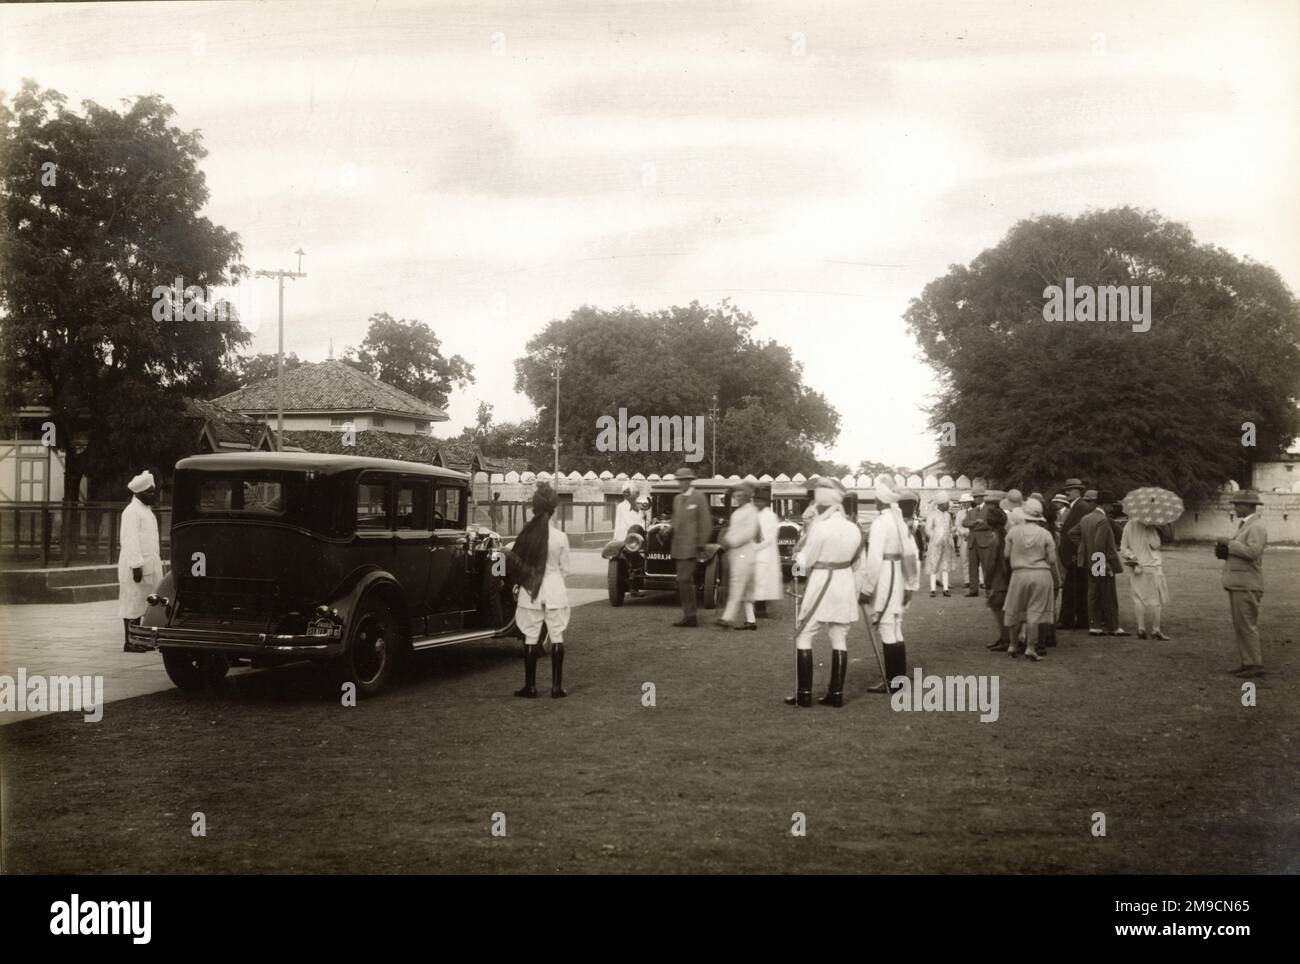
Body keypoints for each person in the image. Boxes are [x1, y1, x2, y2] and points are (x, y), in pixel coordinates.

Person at [785, 477, 865, 707]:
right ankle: (836, 695)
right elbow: (859, 563)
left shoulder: (819, 528)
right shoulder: (853, 528)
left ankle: (804, 694)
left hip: (822, 583)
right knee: (839, 637)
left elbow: (806, 560)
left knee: (804, 635)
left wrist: (796, 567)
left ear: (821, 506)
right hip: (845, 583)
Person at [511, 483, 572, 698]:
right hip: (555, 591)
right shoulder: (561, 537)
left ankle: (531, 687)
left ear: (535, 509)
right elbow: (566, 569)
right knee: (556, 636)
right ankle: (556, 688)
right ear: (553, 510)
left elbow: (514, 562)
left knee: (530, 637)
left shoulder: (526, 535)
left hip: (530, 592)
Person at [861, 480, 920, 694]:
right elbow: (913, 555)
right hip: (899, 576)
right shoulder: (899, 522)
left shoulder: (880, 524)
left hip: (886, 574)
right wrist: (911, 584)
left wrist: (867, 589)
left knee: (887, 625)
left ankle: (893, 682)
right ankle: (900, 678)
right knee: (895, 625)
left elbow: (875, 559)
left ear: (879, 501)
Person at [1216, 490, 1268, 677]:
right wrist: (1226, 551)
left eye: (1238, 504)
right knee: (1241, 625)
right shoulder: (1247, 525)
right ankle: (1248, 662)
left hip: (1247, 584)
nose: (1235, 508)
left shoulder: (1256, 527)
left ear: (1248, 506)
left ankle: (1255, 664)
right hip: (1240, 583)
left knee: (1246, 625)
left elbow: (1253, 552)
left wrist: (1229, 544)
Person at [1003, 499, 1061, 661]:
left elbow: (1006, 555)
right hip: (1041, 574)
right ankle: (1030, 647)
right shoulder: (1045, 534)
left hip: (1019, 574)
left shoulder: (1013, 532)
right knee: (1035, 612)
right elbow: (1051, 559)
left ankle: (1013, 645)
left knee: (1016, 609)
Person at [1071, 490, 1128, 637]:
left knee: (1093, 594)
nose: (1112, 508)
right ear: (1106, 505)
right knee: (1108, 594)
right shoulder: (1102, 520)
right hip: (1100, 561)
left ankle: (1094, 625)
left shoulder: (1086, 518)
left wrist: (1083, 548)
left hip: (1089, 561)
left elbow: (1072, 533)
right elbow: (1099, 545)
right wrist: (1106, 564)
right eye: (1111, 505)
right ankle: (1113, 626)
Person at [118, 470, 164, 651]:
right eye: (150, 492)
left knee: (144, 603)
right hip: (136, 566)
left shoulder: (145, 510)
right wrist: (136, 566)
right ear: (139, 493)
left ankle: (140, 639)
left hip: (149, 564)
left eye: (153, 491)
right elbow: (131, 541)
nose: (153, 495)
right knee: (133, 603)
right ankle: (130, 641)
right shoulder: (132, 512)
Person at [670, 466, 712, 628]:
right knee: (682, 581)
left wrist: (700, 544)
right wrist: (669, 528)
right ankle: (689, 614)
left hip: (692, 548)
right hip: (678, 548)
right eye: (679, 481)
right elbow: (677, 521)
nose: (681, 484)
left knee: (684, 579)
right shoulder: (677, 499)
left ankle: (691, 616)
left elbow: (706, 523)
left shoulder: (699, 497)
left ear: (690, 480)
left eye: (684, 480)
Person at [718, 480, 760, 630]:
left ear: (747, 496)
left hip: (744, 553)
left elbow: (749, 533)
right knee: (747, 590)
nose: (737, 496)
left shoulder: (751, 511)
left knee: (737, 585)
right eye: (736, 493)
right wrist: (727, 539)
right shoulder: (738, 512)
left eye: (740, 493)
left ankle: (727, 617)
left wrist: (730, 542)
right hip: (740, 554)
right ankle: (751, 620)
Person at [1120, 517, 1170, 640]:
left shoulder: (1129, 525)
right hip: (1152, 567)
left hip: (1137, 567)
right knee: (1156, 600)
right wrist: (1154, 528)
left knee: (1138, 598)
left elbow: (1123, 548)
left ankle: (1141, 628)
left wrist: (1133, 557)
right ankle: (1155, 630)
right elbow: (1156, 544)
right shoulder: (1150, 525)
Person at [1056, 479, 1091, 630]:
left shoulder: (1081, 507)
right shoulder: (1076, 506)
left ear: (1078, 490)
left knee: (1073, 588)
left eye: (1069, 489)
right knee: (1078, 587)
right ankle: (1080, 619)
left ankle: (1068, 619)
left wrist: (1077, 553)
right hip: (1075, 556)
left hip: (1075, 557)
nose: (1066, 492)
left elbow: (1080, 533)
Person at [981, 492, 1012, 651]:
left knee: (999, 611)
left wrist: (987, 583)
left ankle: (1005, 639)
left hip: (998, 581)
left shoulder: (994, 540)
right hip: (1008, 579)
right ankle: (1005, 638)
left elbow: (990, 564)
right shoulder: (1007, 536)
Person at [751, 488, 783, 618]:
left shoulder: (770, 516)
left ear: (765, 502)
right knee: (759, 580)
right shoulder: (757, 515)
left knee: (762, 580)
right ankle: (758, 607)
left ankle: (760, 609)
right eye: (755, 500)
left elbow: (768, 538)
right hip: (758, 551)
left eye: (758, 501)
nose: (756, 503)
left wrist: (754, 547)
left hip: (765, 551)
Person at [967, 489, 1001, 597]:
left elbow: (990, 524)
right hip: (973, 541)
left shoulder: (989, 510)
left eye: (977, 497)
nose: (975, 499)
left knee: (987, 567)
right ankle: (973, 590)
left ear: (982, 497)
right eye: (974, 497)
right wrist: (974, 522)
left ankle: (988, 590)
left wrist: (974, 526)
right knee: (972, 567)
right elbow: (964, 522)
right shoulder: (971, 511)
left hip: (985, 541)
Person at [924, 491, 954, 597]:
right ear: (941, 504)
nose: (948, 505)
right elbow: (927, 529)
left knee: (945, 565)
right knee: (934, 565)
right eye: (946, 503)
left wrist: (950, 538)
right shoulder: (932, 515)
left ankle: (945, 589)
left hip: (946, 544)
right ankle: (933, 589)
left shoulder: (948, 515)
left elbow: (950, 528)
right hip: (935, 544)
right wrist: (935, 537)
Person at [956, 492, 976, 590]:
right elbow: (958, 525)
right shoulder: (960, 513)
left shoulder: (976, 511)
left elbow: (976, 525)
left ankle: (980, 580)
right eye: (963, 502)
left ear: (970, 502)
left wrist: (970, 533)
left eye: (966, 502)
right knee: (964, 560)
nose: (964, 504)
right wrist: (964, 533)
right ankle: (967, 580)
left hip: (974, 537)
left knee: (976, 560)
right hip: (963, 538)